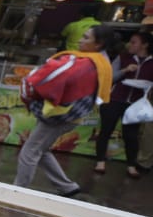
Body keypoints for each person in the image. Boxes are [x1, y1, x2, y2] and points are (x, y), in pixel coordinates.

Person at [14, 25, 113, 196]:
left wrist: (35, 81)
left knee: (29, 152)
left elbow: (56, 78)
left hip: (58, 114)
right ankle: (67, 187)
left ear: (98, 44)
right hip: (71, 116)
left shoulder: (86, 63)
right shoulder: (101, 62)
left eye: (86, 38)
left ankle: (17, 191)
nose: (81, 40)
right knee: (41, 150)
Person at [96, 30, 152, 177]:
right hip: (115, 98)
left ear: (145, 45)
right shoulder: (123, 58)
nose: (130, 45)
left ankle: (131, 165)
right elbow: (110, 77)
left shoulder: (151, 62)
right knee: (106, 130)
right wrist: (125, 70)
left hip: (135, 103)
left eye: (134, 42)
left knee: (131, 136)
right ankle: (100, 161)